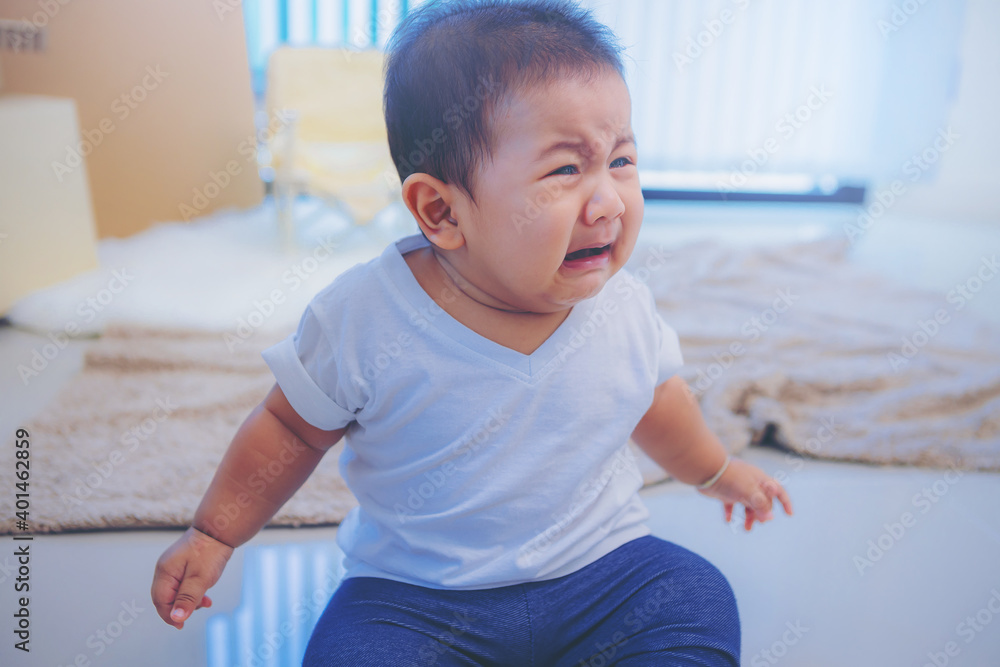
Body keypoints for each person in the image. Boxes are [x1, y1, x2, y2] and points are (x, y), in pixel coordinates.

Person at [151, 1, 793, 664]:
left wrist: (716, 469)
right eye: (565, 170)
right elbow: (289, 429)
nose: (608, 201)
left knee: (696, 597)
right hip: (415, 597)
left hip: (602, 573)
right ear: (441, 211)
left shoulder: (622, 307)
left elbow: (655, 399)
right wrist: (213, 532)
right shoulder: (364, 318)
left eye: (621, 160)